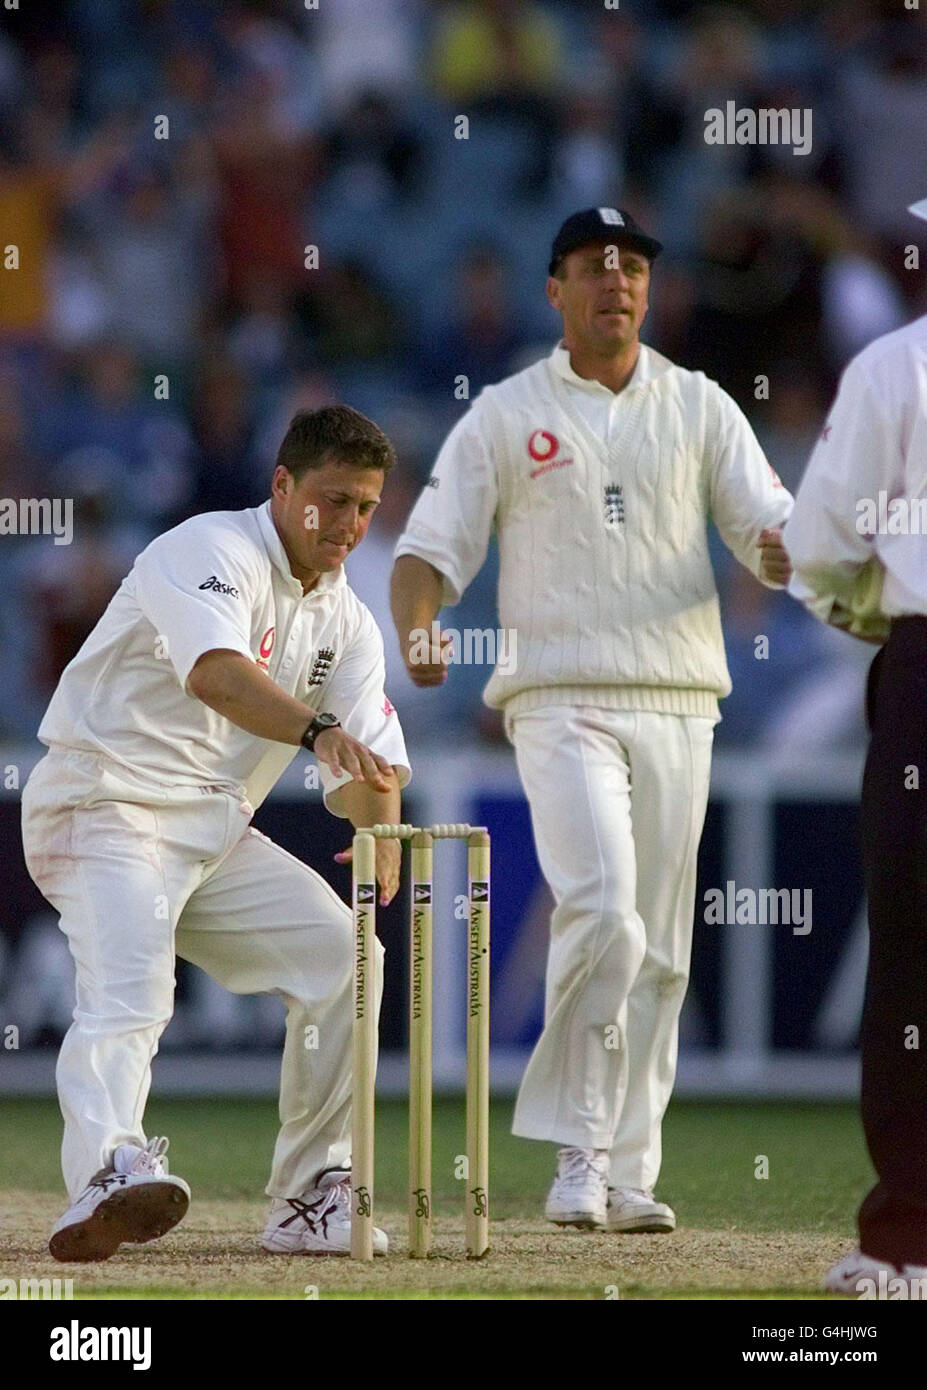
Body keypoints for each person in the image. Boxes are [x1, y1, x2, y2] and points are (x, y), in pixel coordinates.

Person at [391, 207, 793, 1234]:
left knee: (658, 951)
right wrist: (422, 626)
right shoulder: (507, 409)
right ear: (555, 291)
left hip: (679, 698)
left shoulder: (700, 407)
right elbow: (428, 548)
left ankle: (626, 1169)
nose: (616, 281)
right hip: (557, 695)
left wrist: (818, 557)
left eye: (634, 269)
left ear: (651, 292)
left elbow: (768, 532)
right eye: (591, 267)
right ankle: (577, 1150)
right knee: (605, 903)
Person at [21, 405, 410, 1261]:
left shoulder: (346, 620)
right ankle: (105, 1168)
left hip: (208, 832)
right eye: (332, 500)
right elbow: (216, 675)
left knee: (347, 957)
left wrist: (378, 822)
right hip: (103, 797)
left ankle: (309, 1196)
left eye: (365, 508)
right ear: (282, 486)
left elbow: (371, 769)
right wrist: (316, 734)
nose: (346, 524)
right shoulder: (208, 549)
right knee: (132, 988)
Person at [784, 196, 927, 1297]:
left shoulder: (894, 365)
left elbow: (821, 547)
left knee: (915, 956)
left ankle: (906, 1240)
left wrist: (874, 617)